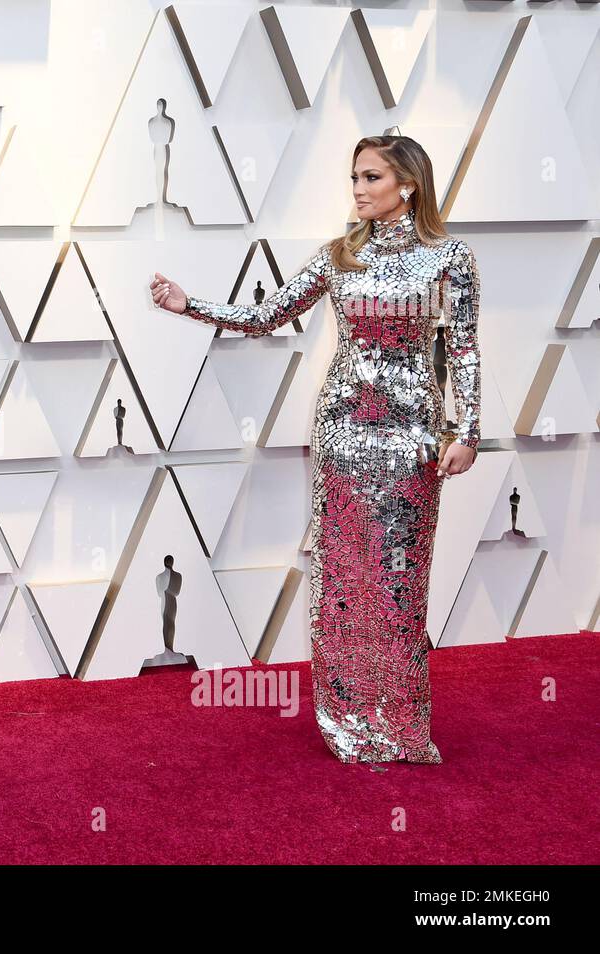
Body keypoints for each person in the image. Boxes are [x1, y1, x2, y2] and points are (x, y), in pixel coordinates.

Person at [150, 135, 481, 764]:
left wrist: (467, 433)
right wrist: (189, 305)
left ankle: (402, 722)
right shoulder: (340, 256)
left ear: (406, 184)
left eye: (369, 176)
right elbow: (268, 313)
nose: (356, 188)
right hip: (343, 430)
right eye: (353, 177)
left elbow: (463, 349)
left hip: (412, 434)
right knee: (343, 577)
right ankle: (348, 718)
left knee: (399, 580)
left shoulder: (450, 259)